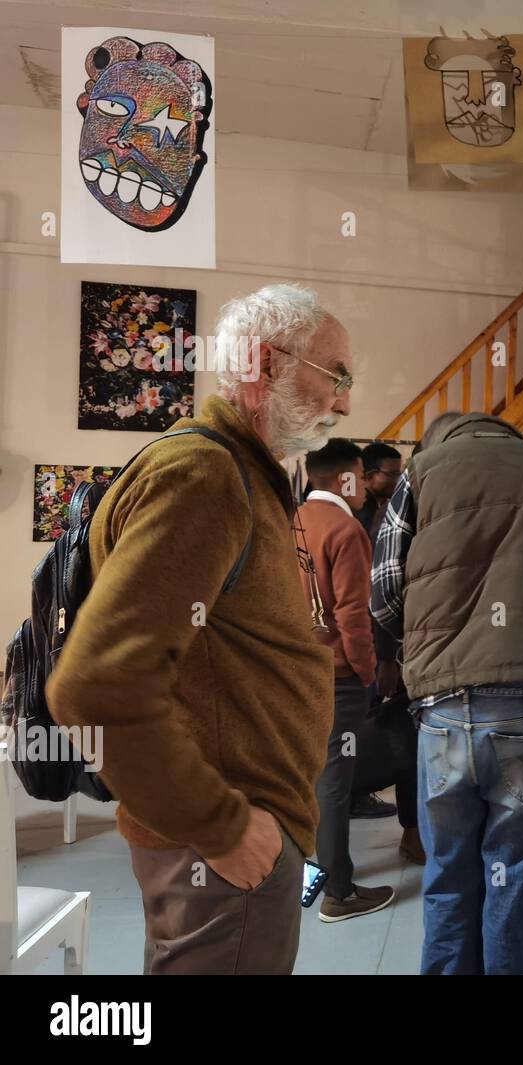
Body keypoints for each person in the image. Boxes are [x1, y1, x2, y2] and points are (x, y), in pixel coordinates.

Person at [46, 283, 352, 974]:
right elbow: (98, 687)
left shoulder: (235, 470)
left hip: (222, 846)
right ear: (264, 365)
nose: (344, 402)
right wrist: (227, 829)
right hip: (223, 852)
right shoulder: (206, 472)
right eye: (335, 376)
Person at [371, 410, 523, 975]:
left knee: (448, 878)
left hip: (444, 709)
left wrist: (428, 647)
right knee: (517, 876)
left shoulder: (421, 473)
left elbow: (383, 593)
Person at [298, 439, 395, 922]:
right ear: (345, 479)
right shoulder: (346, 529)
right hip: (337, 674)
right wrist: (368, 672)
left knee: (310, 778)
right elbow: (354, 614)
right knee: (336, 781)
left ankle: (308, 876)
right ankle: (338, 892)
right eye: (361, 475)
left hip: (295, 674)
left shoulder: (291, 521)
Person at [351, 440, 408, 824]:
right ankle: (357, 792)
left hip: (375, 642)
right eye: (392, 472)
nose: (400, 477)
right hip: (368, 642)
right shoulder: (361, 520)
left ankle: (359, 791)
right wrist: (385, 658)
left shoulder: (384, 510)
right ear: (370, 477)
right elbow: (375, 594)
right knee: (366, 721)